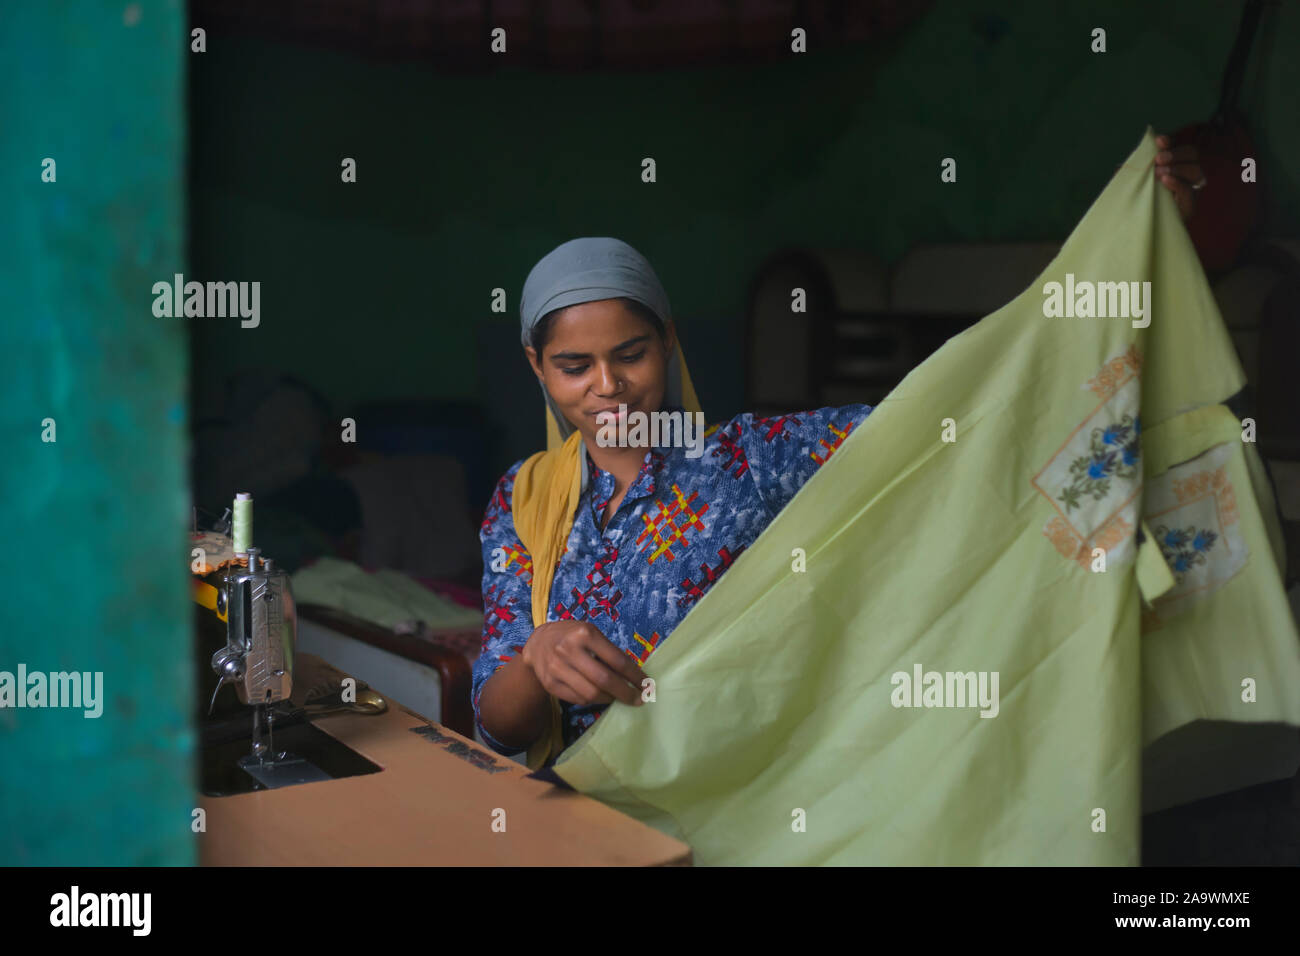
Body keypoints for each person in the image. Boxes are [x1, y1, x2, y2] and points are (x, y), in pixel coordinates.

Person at [472, 141, 1204, 767]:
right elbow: (500, 728)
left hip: (745, 801)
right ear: (538, 369)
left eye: (630, 354)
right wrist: (539, 652)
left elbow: (957, 416)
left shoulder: (754, 461)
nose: (608, 387)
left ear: (667, 340)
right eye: (575, 367)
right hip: (590, 813)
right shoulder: (526, 499)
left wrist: (1124, 256)